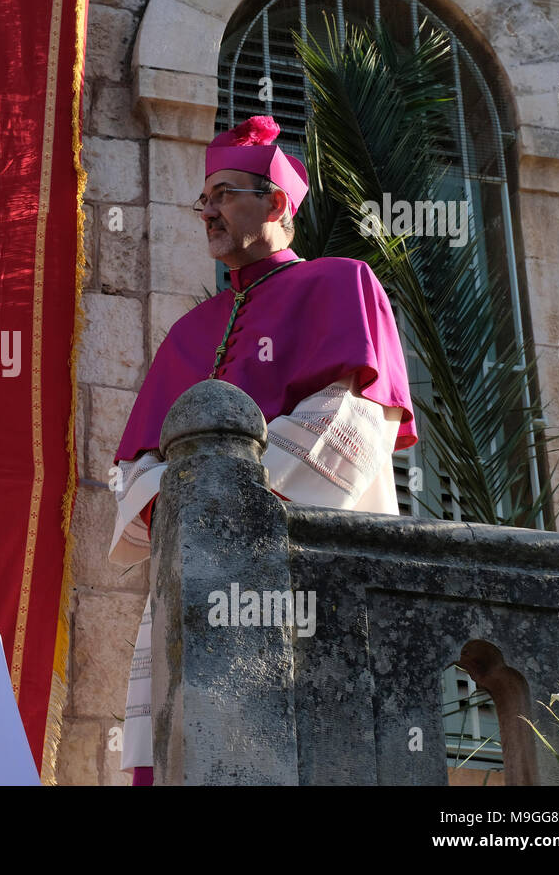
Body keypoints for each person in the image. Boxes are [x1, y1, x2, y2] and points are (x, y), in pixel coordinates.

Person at [107, 115, 418, 785]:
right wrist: (194, 509)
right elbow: (135, 466)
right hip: (192, 581)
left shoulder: (341, 283)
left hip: (301, 565)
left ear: (276, 203)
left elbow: (354, 418)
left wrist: (236, 505)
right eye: (204, 199)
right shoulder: (189, 332)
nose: (207, 212)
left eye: (222, 194)